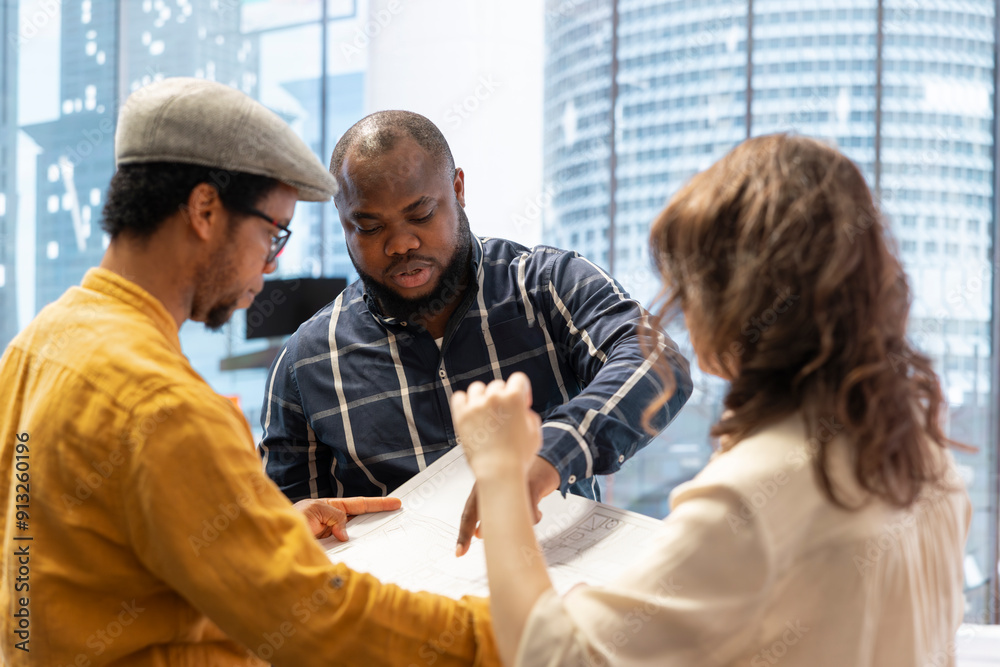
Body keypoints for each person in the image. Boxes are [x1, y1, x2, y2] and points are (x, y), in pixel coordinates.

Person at [0, 78, 498, 666]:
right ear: (206, 210)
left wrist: (253, 528)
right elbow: (313, 619)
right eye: (272, 232)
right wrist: (506, 628)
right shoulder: (162, 405)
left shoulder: (39, 344)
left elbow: (58, 562)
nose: (271, 264)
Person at [450, 134, 971, 666]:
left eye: (687, 285)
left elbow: (546, 656)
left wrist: (499, 476)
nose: (677, 311)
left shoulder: (748, 500)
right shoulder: (926, 459)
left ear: (736, 299)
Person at [259, 110, 692, 554]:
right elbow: (288, 538)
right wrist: (286, 527)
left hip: (559, 593)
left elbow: (658, 362)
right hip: (401, 613)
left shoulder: (547, 285)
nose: (401, 244)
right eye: (369, 227)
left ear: (458, 189)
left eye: (421, 214)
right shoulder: (306, 363)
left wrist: (554, 452)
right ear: (343, 221)